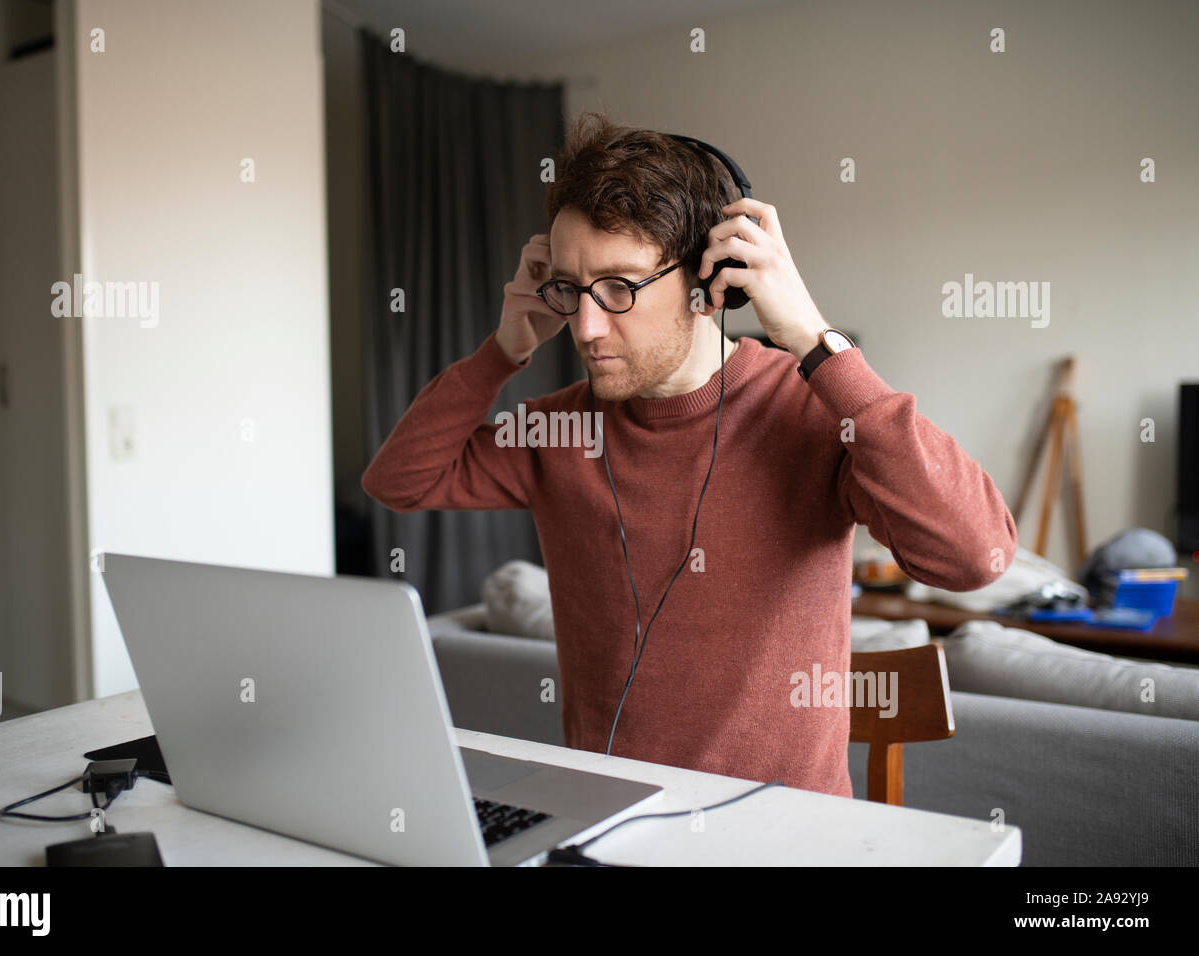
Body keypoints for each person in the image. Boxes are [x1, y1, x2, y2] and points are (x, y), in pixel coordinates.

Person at [362, 112, 1016, 797]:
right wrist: (503, 352)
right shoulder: (557, 432)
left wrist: (817, 343)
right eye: (570, 289)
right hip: (604, 821)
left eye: (619, 288)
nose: (584, 327)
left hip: (781, 840)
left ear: (714, 282)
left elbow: (977, 557)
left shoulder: (814, 415)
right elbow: (399, 480)